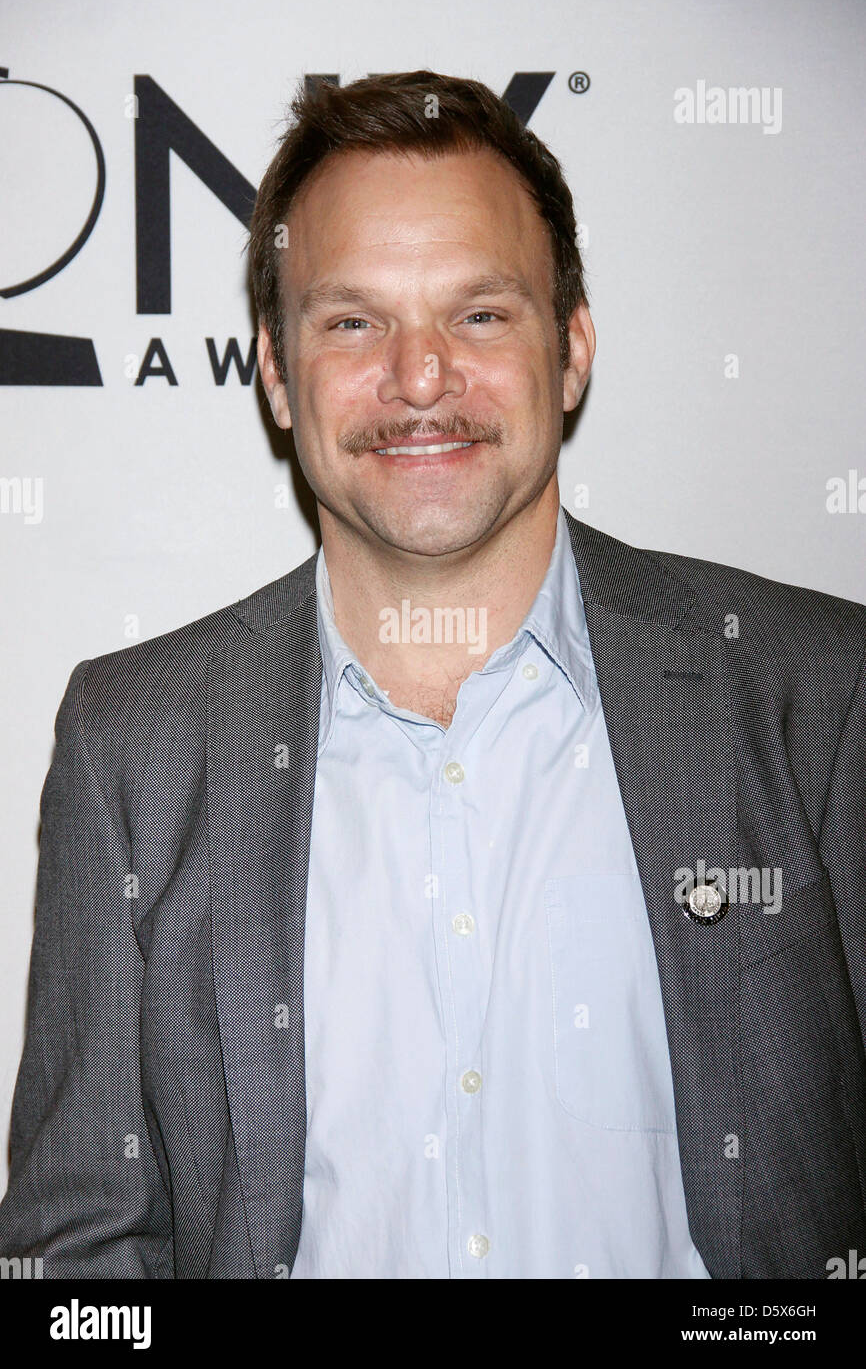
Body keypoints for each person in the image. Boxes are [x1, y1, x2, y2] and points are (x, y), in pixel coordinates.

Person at [1, 69, 864, 1279]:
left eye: (478, 315)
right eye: (351, 321)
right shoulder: (130, 738)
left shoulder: (816, 692)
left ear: (569, 350)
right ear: (273, 370)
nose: (418, 378)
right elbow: (77, 1256)